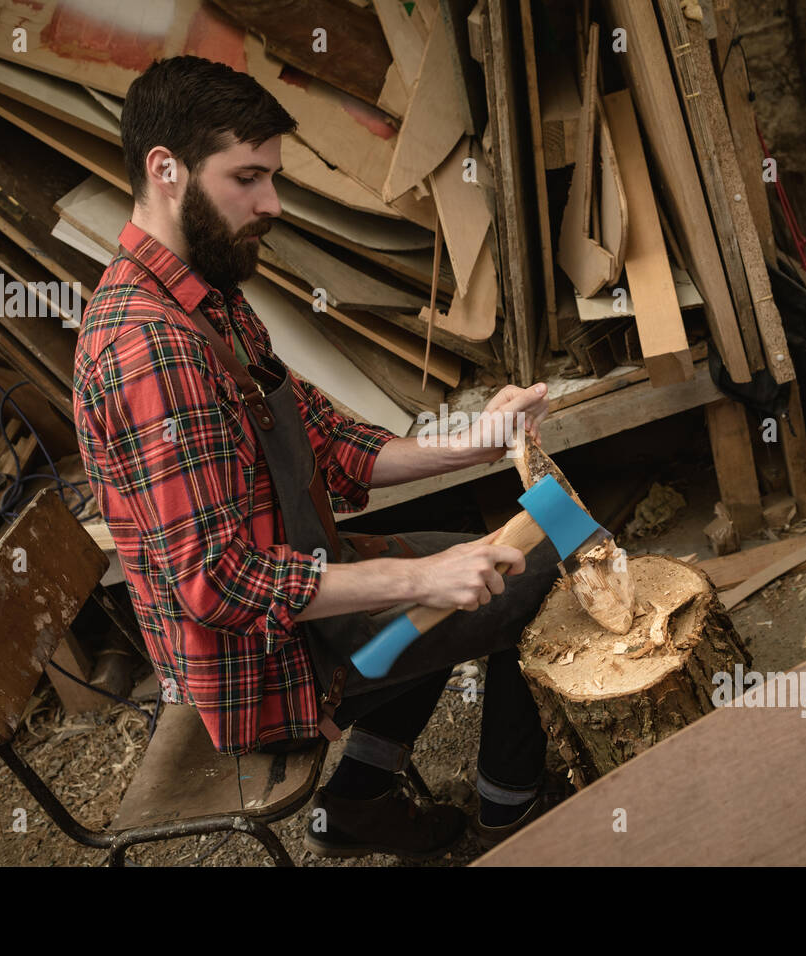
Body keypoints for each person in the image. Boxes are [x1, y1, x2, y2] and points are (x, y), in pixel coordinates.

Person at [73, 56, 564, 860]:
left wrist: (473, 443)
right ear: (165, 170)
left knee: (506, 532)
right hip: (267, 664)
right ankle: (513, 815)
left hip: (302, 590)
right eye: (248, 178)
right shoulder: (149, 349)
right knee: (542, 569)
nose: (272, 202)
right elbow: (218, 583)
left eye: (273, 177)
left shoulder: (205, 296)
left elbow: (335, 446)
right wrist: (424, 580)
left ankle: (361, 796)